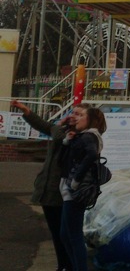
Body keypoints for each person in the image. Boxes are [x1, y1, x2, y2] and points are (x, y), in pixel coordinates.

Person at [10, 99, 74, 271]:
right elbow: (46, 127)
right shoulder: (65, 132)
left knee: (63, 233)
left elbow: (56, 134)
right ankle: (63, 265)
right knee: (56, 232)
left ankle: (67, 265)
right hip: (49, 189)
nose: (72, 115)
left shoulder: (80, 135)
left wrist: (60, 125)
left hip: (61, 192)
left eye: (78, 114)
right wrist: (27, 112)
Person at [58, 103, 106, 271]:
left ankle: (79, 268)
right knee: (66, 233)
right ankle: (76, 267)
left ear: (90, 119)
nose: (76, 118)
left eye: (80, 115)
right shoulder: (83, 136)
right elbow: (62, 161)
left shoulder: (89, 137)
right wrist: (67, 141)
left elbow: (91, 154)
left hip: (75, 191)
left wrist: (76, 180)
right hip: (70, 189)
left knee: (73, 235)